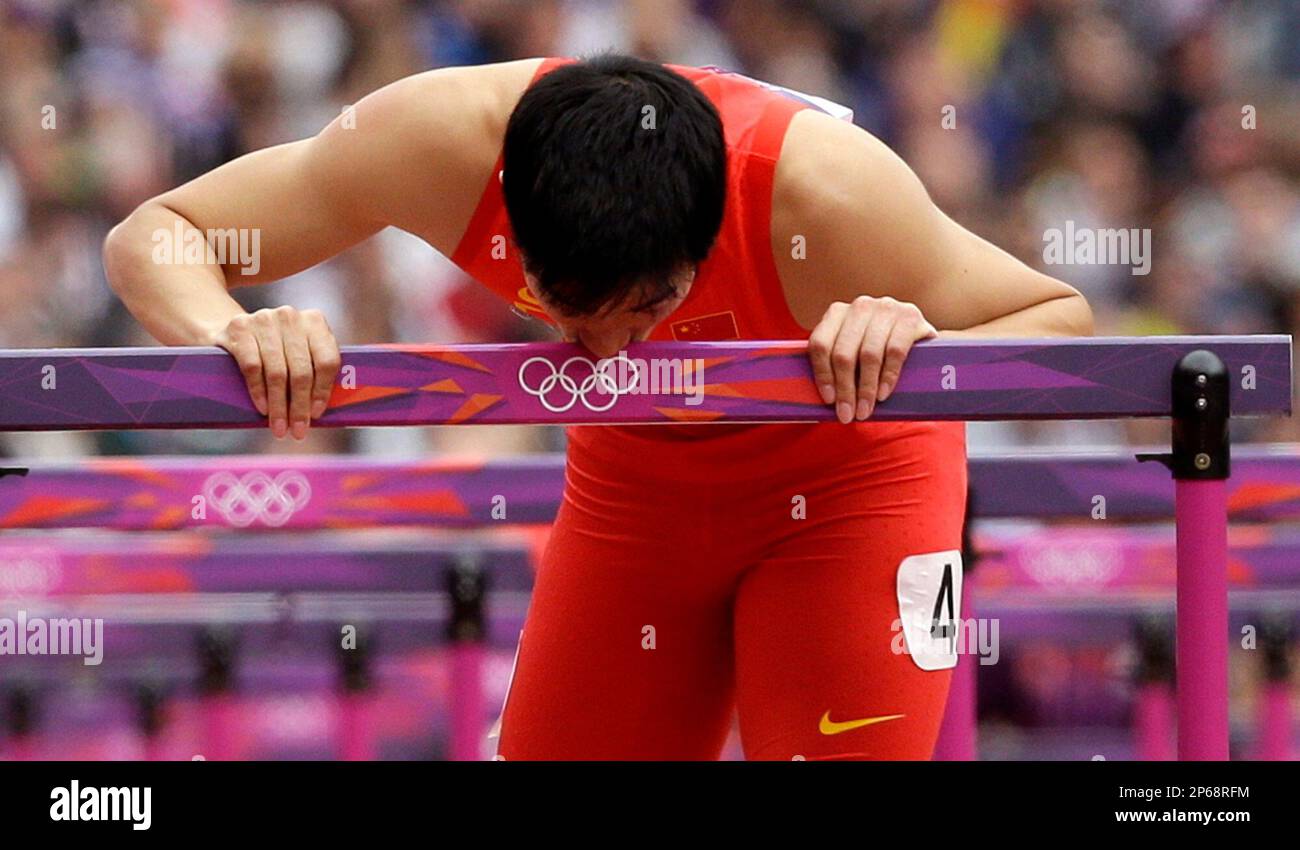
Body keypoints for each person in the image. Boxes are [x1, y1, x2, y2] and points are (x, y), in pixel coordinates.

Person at [104, 54, 1092, 760]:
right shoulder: (434, 141)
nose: (616, 350)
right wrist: (230, 331)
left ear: (704, 238)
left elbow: (1062, 316)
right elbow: (160, 233)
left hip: (852, 487)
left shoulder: (828, 191)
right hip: (632, 491)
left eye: (651, 308)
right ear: (509, 215)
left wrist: (920, 340)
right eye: (574, 315)